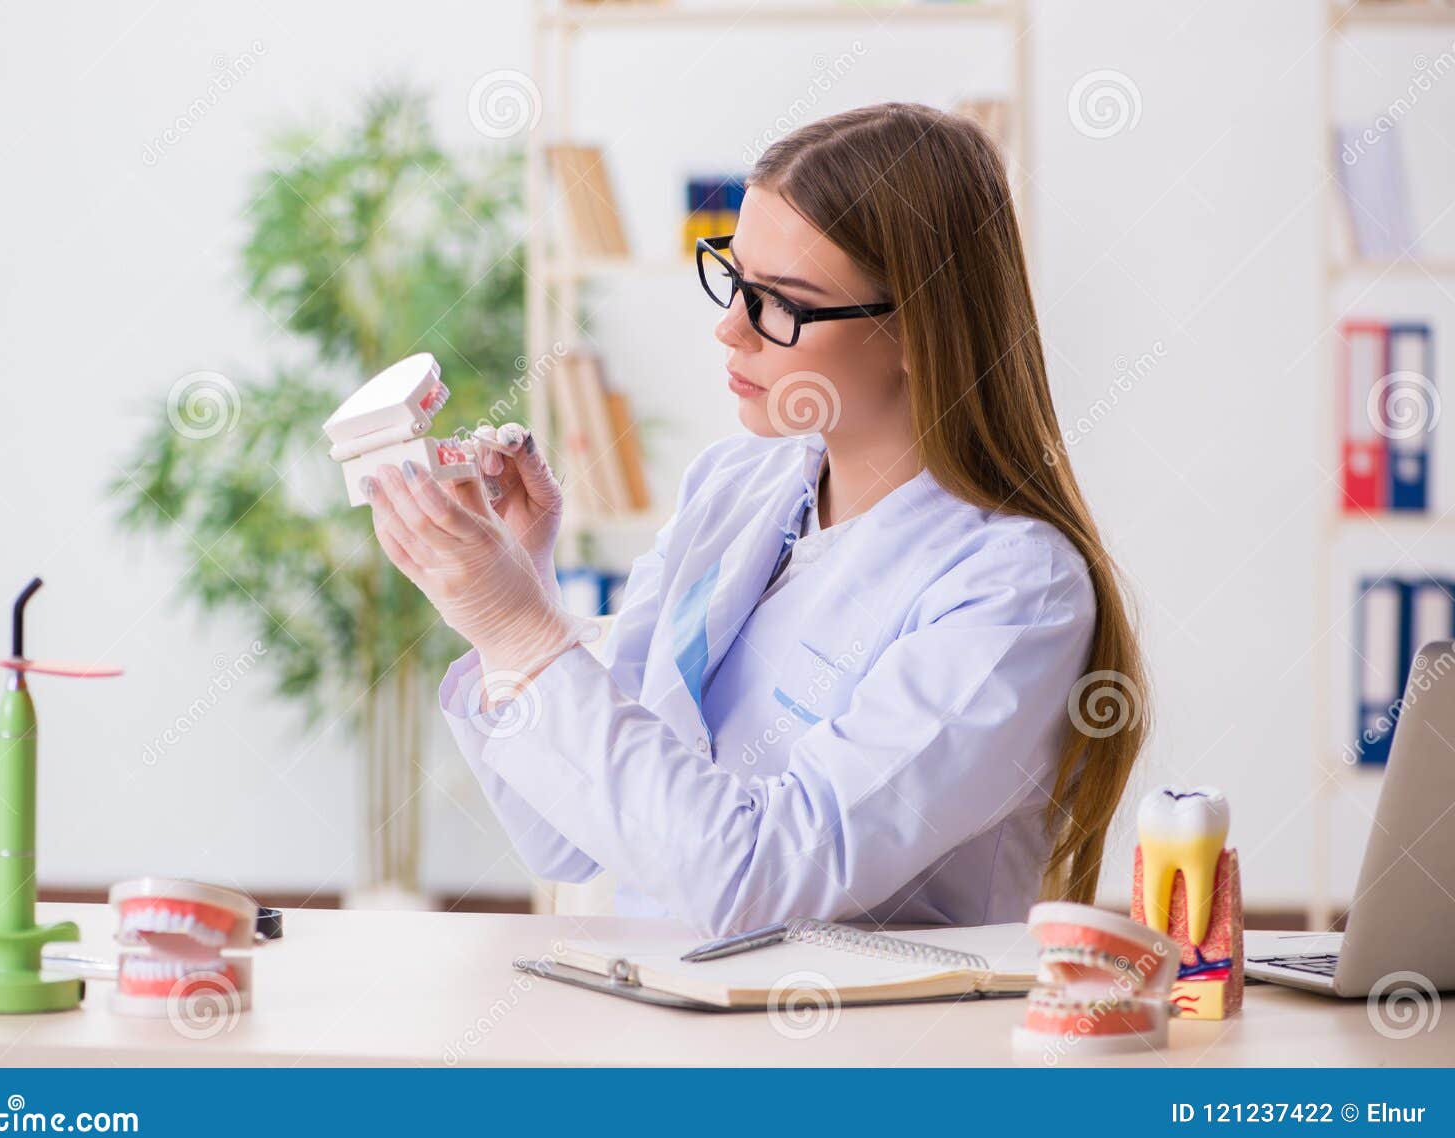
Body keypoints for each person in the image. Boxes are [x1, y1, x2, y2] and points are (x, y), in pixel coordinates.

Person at [360, 102, 1149, 937]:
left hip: (862, 1019)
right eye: (735, 279)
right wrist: (522, 600)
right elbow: (563, 836)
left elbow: (758, 881)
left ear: (918, 331)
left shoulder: (1015, 589)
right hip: (659, 991)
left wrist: (522, 634)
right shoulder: (735, 485)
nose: (730, 327)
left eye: (781, 303)